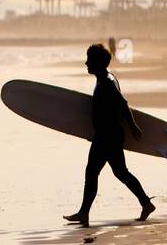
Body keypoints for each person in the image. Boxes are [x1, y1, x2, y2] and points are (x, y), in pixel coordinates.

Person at [63, 44, 155, 229]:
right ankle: (146, 203)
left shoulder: (106, 82)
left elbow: (123, 103)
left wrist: (133, 125)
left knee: (92, 172)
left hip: (106, 136)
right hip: (109, 135)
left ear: (98, 62)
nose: (86, 63)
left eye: (89, 59)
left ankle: (84, 213)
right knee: (120, 172)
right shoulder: (106, 78)